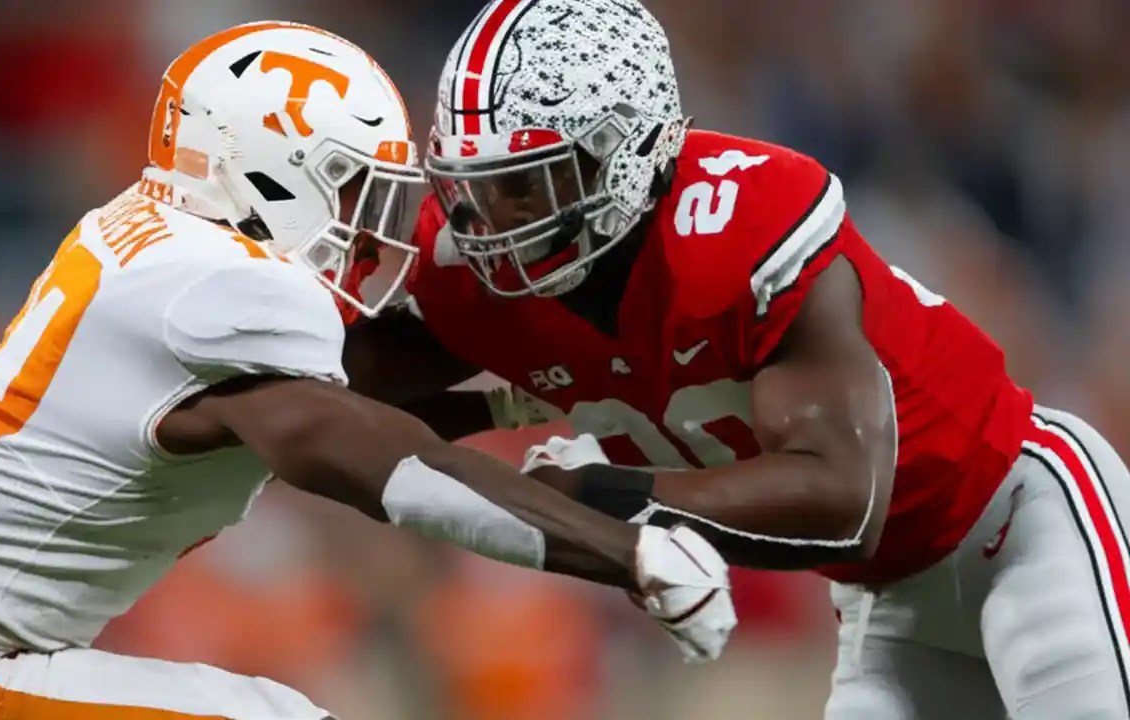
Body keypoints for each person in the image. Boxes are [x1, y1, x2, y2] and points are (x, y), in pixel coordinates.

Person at [0, 21, 735, 719]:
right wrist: (627, 554)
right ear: (269, 175)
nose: (373, 230)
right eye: (354, 189)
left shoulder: (162, 251)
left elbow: (329, 409)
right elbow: (377, 461)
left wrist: (517, 394)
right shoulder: (221, 286)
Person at [348, 1, 1130, 717]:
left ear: (631, 151)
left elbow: (844, 499)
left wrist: (606, 492)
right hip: (887, 600)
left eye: (528, 182)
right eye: (475, 186)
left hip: (1019, 517)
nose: (491, 224)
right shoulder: (469, 274)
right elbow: (344, 399)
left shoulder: (738, 220)